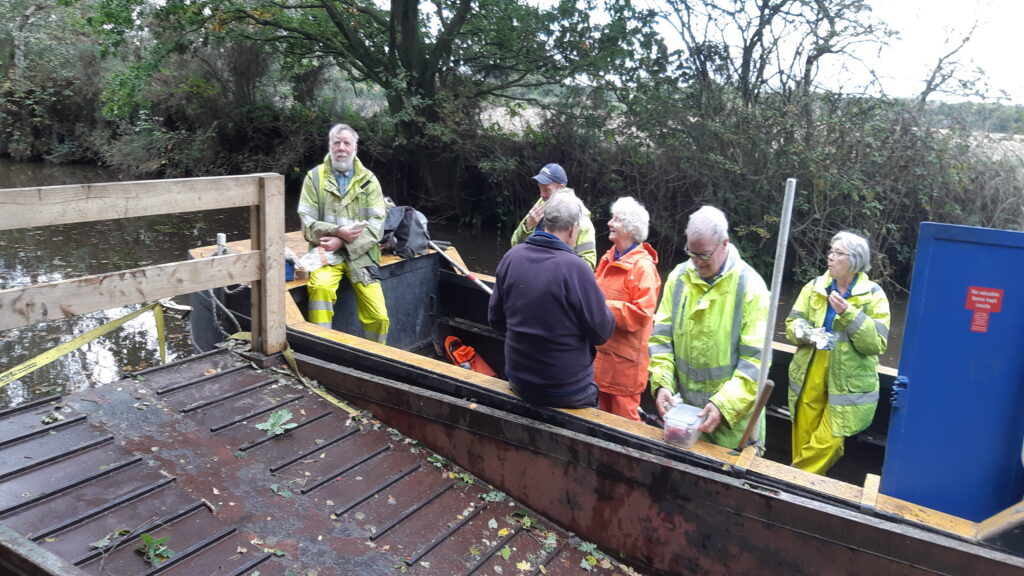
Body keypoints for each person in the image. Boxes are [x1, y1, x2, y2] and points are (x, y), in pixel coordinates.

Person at [648, 206, 770, 449]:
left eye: (703, 255)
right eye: (690, 253)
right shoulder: (679, 277)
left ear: (724, 244)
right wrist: (662, 384)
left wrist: (723, 405)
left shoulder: (751, 288)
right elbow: (661, 340)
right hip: (683, 420)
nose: (696, 262)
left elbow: (755, 363)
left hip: (732, 429)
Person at [488, 193, 615, 408]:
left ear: (544, 222)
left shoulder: (512, 257)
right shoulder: (577, 269)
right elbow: (602, 333)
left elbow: (495, 321)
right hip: (566, 390)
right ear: (574, 229)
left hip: (519, 380)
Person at [785, 231, 890, 475]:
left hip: (847, 381)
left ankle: (789, 481)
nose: (830, 258)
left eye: (838, 253)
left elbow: (876, 344)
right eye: (830, 252)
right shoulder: (814, 287)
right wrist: (808, 334)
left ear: (854, 260)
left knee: (828, 443)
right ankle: (801, 494)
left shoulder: (874, 296)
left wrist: (849, 314)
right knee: (804, 437)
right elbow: (792, 324)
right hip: (811, 370)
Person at [297, 123, 389, 343]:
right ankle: (322, 348)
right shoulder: (314, 178)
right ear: (329, 145)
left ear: (355, 148)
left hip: (362, 256)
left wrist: (344, 242)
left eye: (347, 143)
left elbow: (377, 226)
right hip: (326, 253)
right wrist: (337, 232)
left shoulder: (369, 180)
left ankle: (376, 358)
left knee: (379, 316)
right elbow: (306, 223)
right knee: (319, 289)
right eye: (336, 142)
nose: (341, 147)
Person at [593, 197, 662, 421]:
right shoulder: (607, 258)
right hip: (600, 359)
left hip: (625, 369)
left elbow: (641, 314)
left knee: (624, 426)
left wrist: (601, 307)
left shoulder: (644, 268)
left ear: (632, 229)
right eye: (612, 218)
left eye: (617, 220)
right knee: (598, 421)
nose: (610, 223)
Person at [510, 163, 597, 269]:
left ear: (561, 188)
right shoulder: (541, 206)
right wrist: (527, 227)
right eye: (540, 189)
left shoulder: (581, 219)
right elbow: (515, 245)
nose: (542, 195)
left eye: (547, 189)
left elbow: (588, 267)